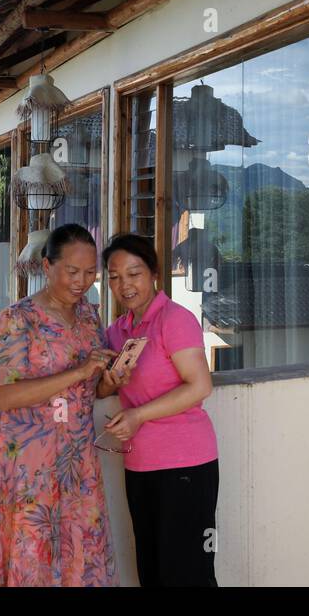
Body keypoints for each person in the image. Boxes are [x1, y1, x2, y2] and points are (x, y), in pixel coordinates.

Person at [0, 223, 118, 586]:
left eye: (89, 273)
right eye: (72, 271)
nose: (81, 281)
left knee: (79, 552)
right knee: (32, 550)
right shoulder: (17, 319)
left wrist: (108, 381)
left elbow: (90, 390)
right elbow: (5, 396)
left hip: (77, 457)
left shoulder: (88, 314)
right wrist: (80, 371)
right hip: (28, 463)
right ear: (46, 266)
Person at [99, 232, 218, 586]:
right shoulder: (117, 331)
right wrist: (112, 381)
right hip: (139, 462)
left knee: (187, 571)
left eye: (134, 273)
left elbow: (200, 386)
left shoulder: (174, 319)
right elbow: (101, 388)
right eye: (115, 276)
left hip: (185, 464)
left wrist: (138, 415)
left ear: (154, 274)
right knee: (152, 568)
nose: (124, 285)